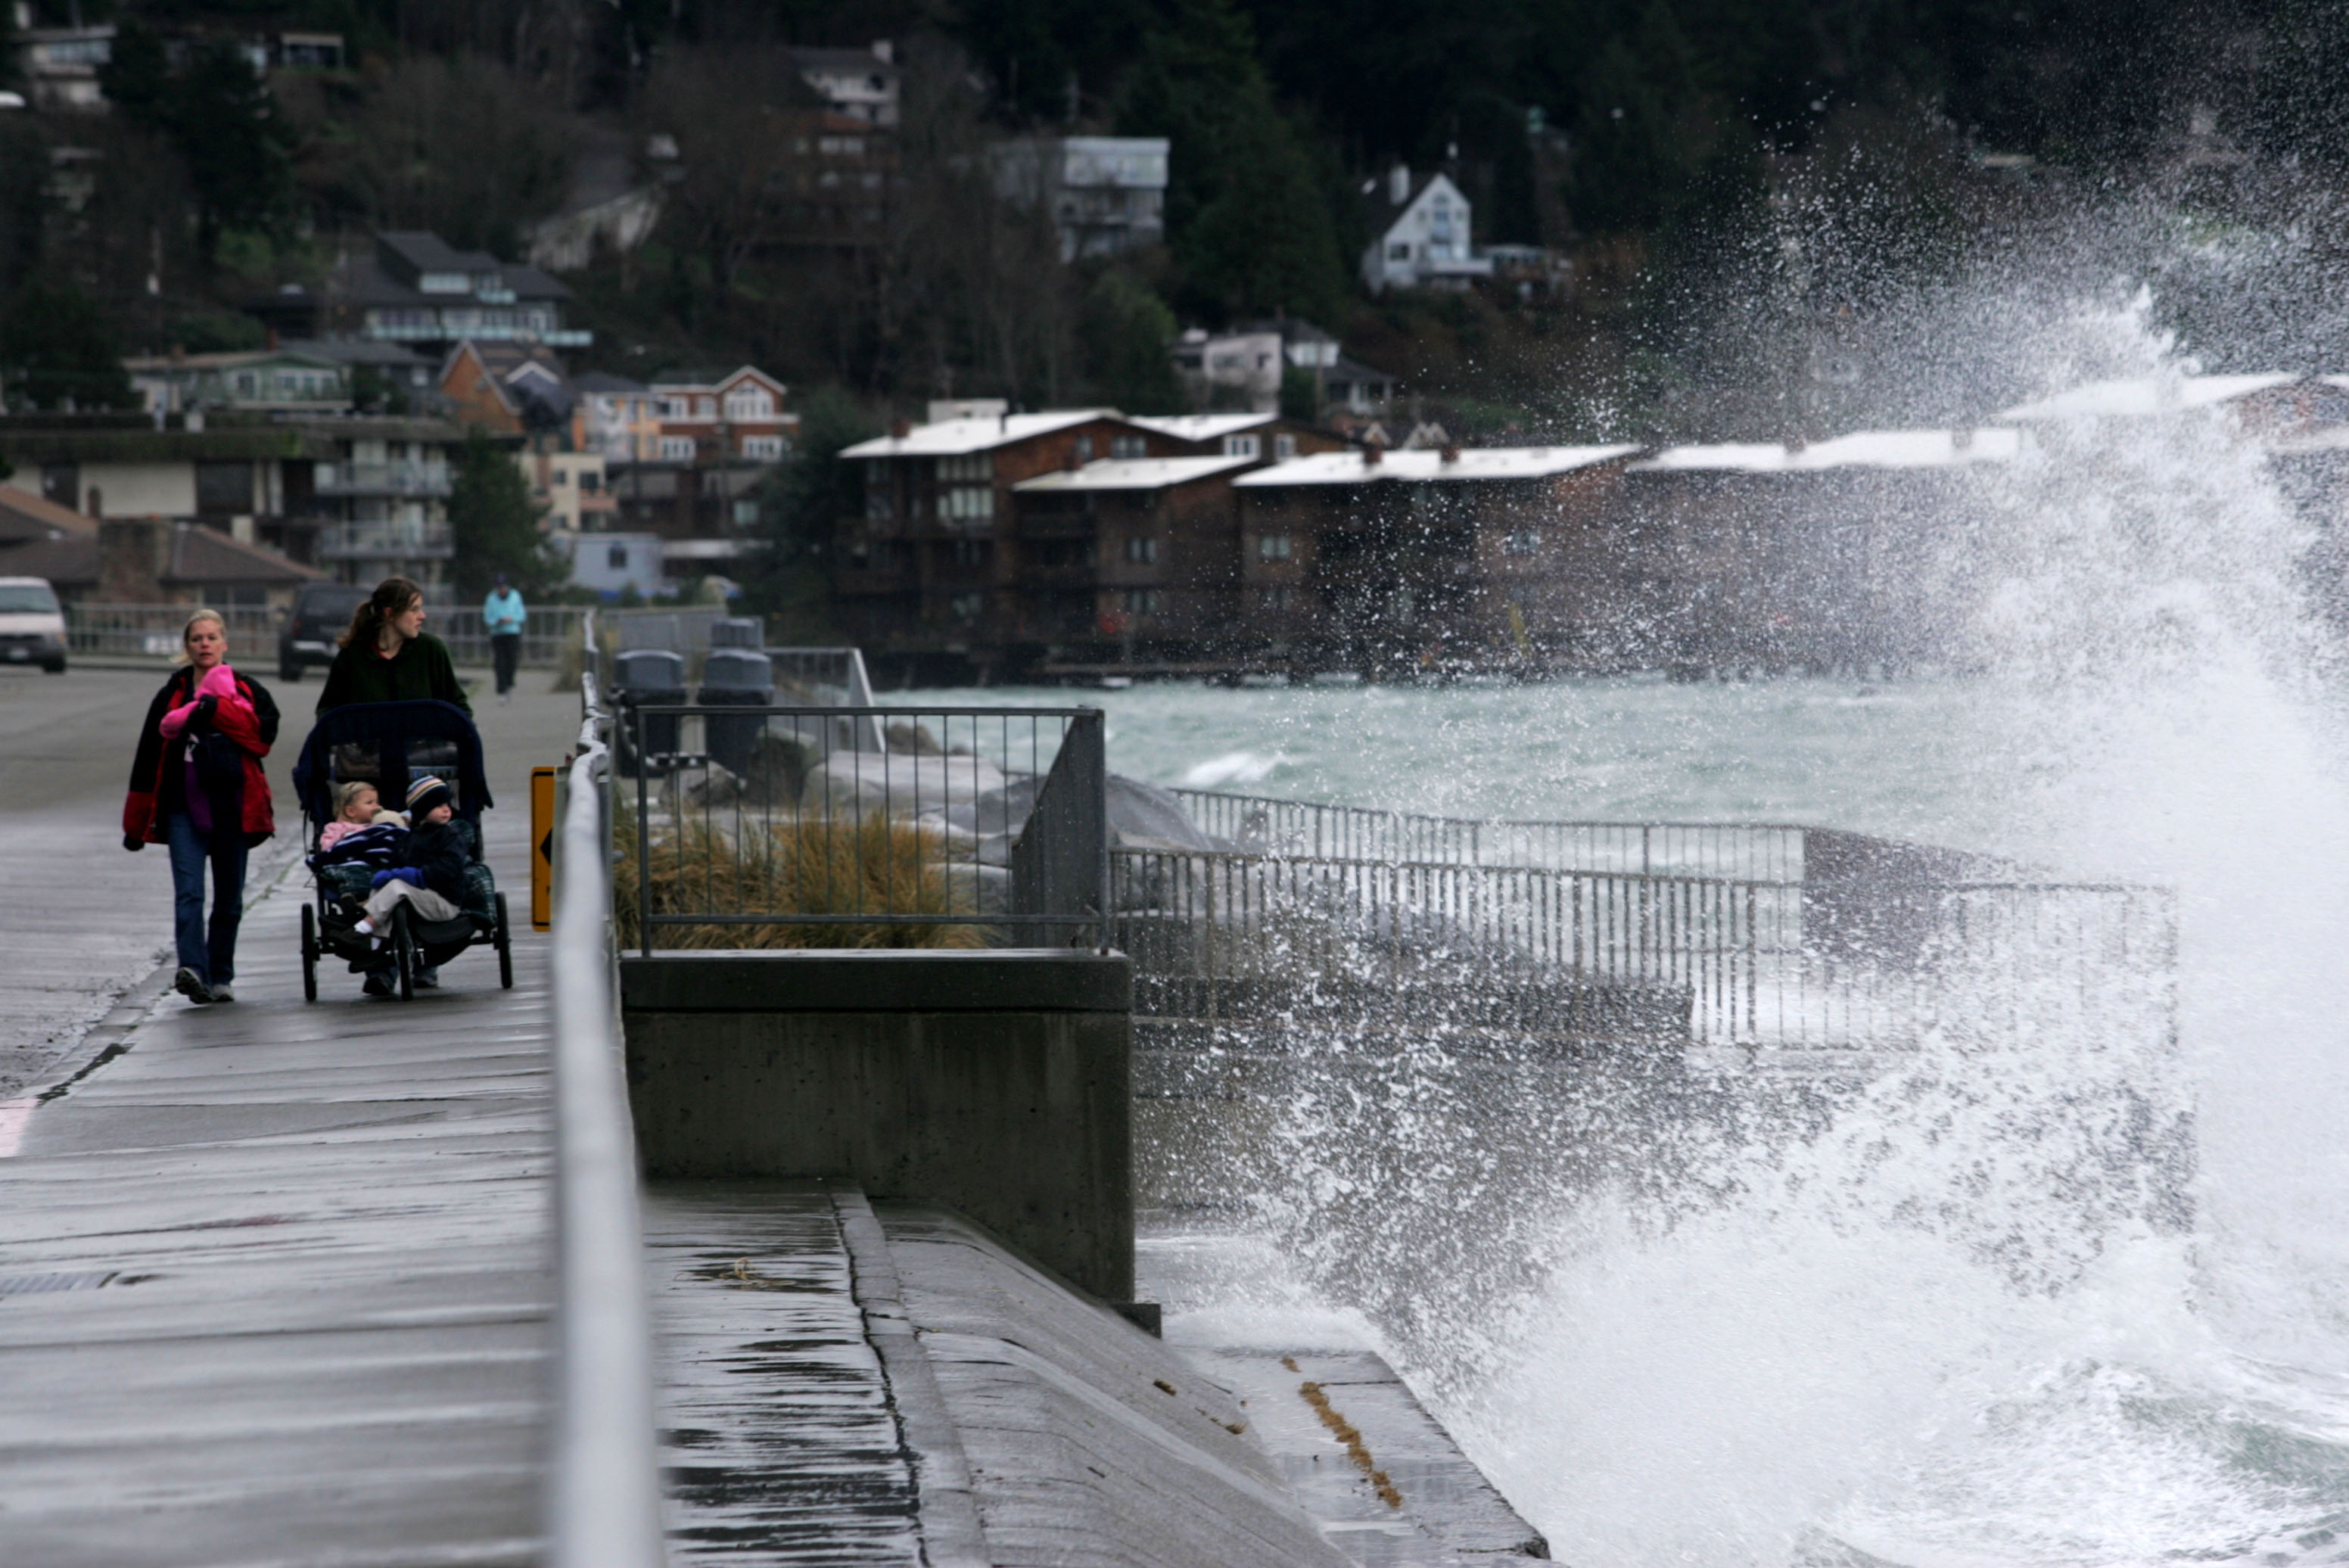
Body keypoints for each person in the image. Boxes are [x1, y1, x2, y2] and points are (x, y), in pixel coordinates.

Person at [121, 609, 278, 1005]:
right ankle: (192, 969)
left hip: (233, 809)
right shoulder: (171, 694)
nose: (204, 644)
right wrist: (135, 822)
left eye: (211, 638)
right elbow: (148, 755)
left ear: (224, 644)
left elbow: (262, 738)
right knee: (189, 893)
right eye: (196, 638)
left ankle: (221, 974)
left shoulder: (246, 690)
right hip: (181, 809)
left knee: (229, 899)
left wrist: (215, 709)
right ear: (186, 647)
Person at [350, 776, 475, 995]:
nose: (446, 810)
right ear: (422, 809)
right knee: (386, 885)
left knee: (398, 886)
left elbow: (449, 869)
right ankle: (376, 946)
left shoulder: (450, 836)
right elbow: (400, 862)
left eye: (447, 805)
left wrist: (416, 876)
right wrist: (391, 873)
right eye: (438, 806)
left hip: (444, 901)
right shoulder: (412, 837)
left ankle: (366, 926)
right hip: (420, 900)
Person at [315, 576, 471, 716]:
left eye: (420, 608)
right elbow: (328, 711)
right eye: (414, 609)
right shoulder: (352, 655)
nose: (422, 616)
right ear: (390, 614)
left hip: (423, 748)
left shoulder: (432, 650)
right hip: (369, 747)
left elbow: (459, 708)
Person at [482, 573, 526, 705]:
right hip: (498, 634)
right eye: (499, 587)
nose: (501, 589)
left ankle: (509, 684)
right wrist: (497, 621)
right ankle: (501, 691)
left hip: (512, 633)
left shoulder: (515, 596)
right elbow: (487, 617)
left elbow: (522, 615)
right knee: (499, 662)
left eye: (503, 586)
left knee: (511, 660)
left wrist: (511, 619)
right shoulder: (491, 599)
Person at [319, 781, 380, 851]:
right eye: (369, 803)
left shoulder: (376, 825)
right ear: (351, 811)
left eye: (377, 802)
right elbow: (326, 848)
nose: (377, 806)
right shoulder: (336, 828)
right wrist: (342, 837)